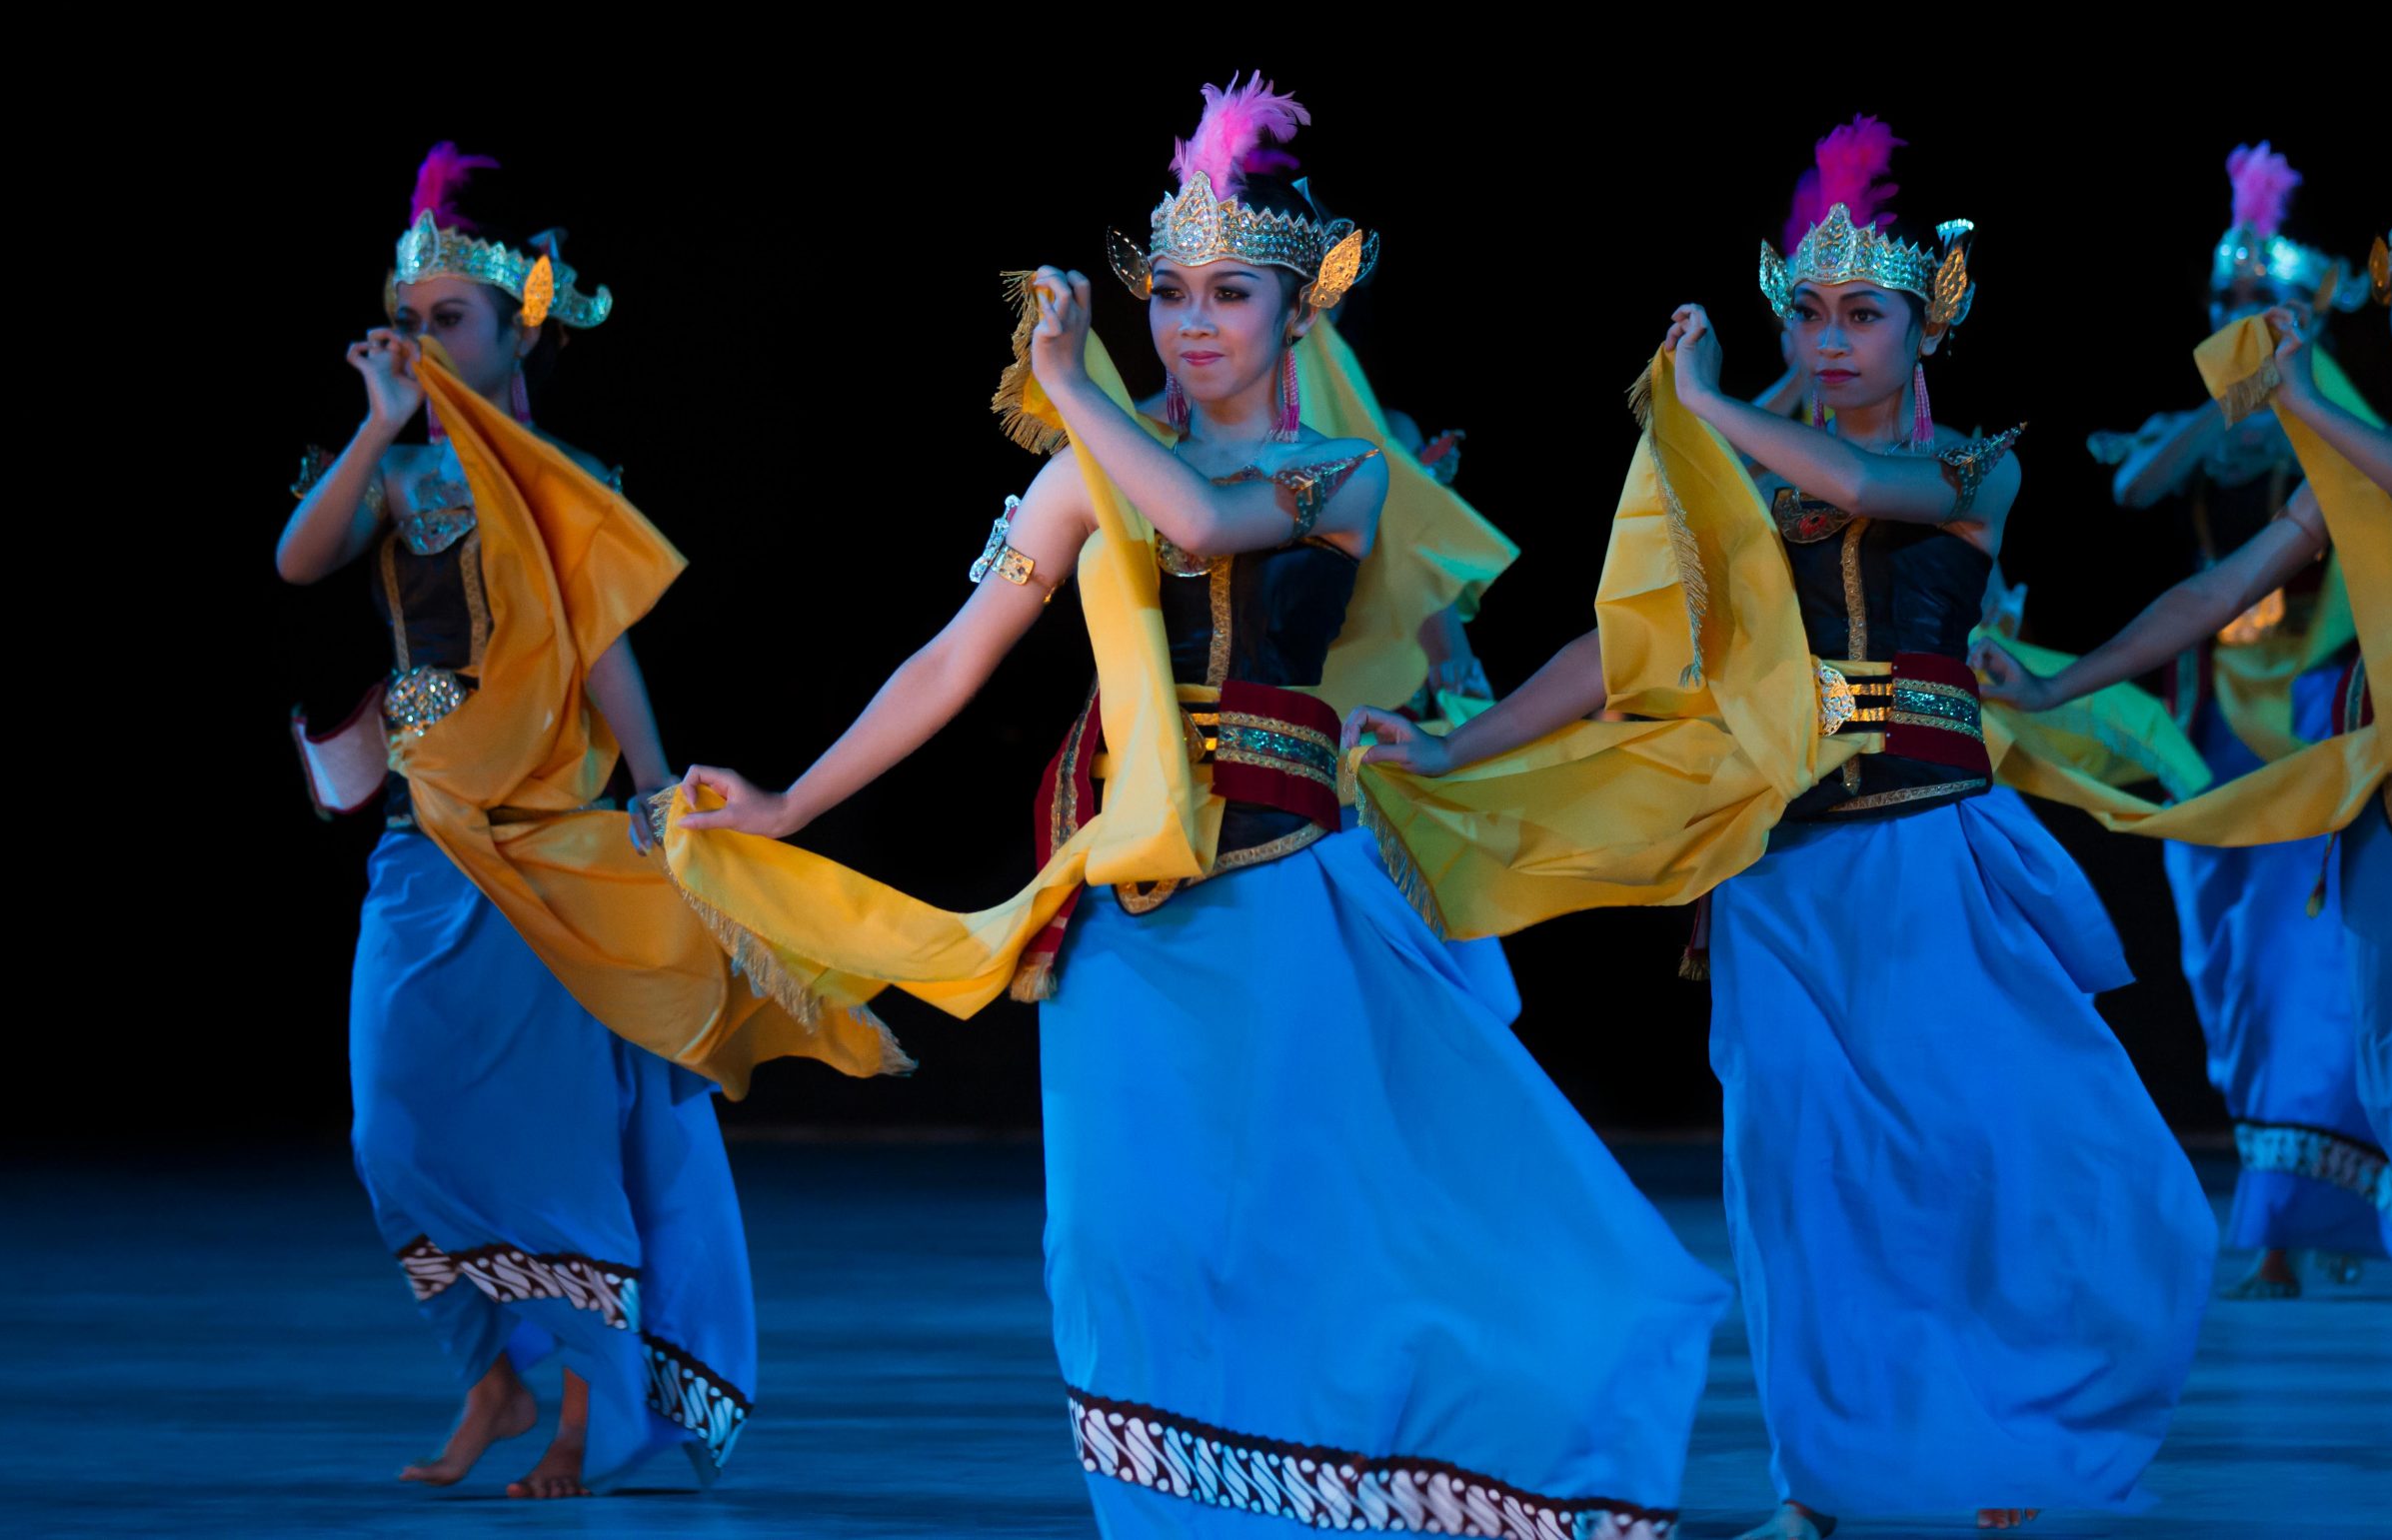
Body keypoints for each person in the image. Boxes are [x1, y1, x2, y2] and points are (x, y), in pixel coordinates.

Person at [654, 77, 1730, 1538]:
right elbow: (951, 659)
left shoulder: (1337, 470)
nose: (1192, 322)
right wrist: (788, 800)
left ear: (1300, 310)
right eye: (1167, 292)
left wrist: (1075, 390)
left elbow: (1205, 522)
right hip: (1128, 910)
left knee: (1318, 1229)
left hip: (1285, 900)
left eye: (1229, 293)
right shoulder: (1089, 469)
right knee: (1119, 1238)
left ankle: (1374, 1497)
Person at [1349, 119, 2218, 1535]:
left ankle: (2012, 1438)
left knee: (2014, 1156)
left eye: (1862, 314)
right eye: (1806, 312)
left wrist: (1700, 403)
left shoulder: (1977, 469)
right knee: (1799, 1180)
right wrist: (1454, 742)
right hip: (1779, 873)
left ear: (1926, 329)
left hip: (1929, 859)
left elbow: (1868, 490)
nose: (1828, 339)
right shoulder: (1746, 495)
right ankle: (1823, 1482)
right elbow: (1622, 650)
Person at [277, 145, 896, 1497]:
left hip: (554, 843)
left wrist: (663, 796)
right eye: (408, 316)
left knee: (561, 1146)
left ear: (518, 333)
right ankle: (490, 1372)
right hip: (428, 840)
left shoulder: (568, 475)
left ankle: (579, 1411)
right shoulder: (392, 472)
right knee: (391, 1133)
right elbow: (298, 559)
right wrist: (378, 425)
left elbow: (605, 650)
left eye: (451, 318)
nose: (424, 338)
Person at [1979, 115, 2392, 1466]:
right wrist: (2061, 684)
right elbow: (2216, 589)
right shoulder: (2350, 448)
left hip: (2355, 747)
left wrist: (2297, 402)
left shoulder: (2351, 434)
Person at [2093, 143, 2392, 1294]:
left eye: (2259, 300)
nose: (2238, 316)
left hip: (2312, 716)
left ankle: (2292, 1224)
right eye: (2225, 299)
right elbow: (2134, 487)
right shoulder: (2212, 423)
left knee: (2301, 966)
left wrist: (2289, 391)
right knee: (2222, 963)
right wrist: (2230, 392)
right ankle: (2283, 1206)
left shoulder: (2341, 421)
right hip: (2213, 721)